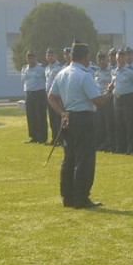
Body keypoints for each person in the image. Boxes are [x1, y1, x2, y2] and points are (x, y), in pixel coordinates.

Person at [47, 42, 113, 209]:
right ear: (85, 57)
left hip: (68, 118)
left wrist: (61, 112)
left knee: (68, 159)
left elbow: (51, 97)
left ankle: (67, 197)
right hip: (84, 119)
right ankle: (81, 198)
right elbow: (97, 101)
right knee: (84, 160)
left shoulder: (62, 73)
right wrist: (109, 92)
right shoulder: (84, 75)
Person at [22, 51, 48, 143]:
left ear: (36, 58)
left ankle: (42, 137)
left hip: (39, 94)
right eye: (29, 58)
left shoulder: (41, 68)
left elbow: (46, 80)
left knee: (40, 116)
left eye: (32, 58)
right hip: (29, 94)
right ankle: (34, 136)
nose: (30, 60)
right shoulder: (24, 68)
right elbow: (24, 81)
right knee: (31, 116)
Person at [43, 47, 64, 144]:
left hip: (57, 96)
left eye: (52, 55)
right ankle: (54, 138)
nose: (50, 57)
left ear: (56, 56)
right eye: (48, 55)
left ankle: (61, 139)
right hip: (49, 96)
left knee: (58, 118)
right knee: (51, 118)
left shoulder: (60, 67)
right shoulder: (46, 68)